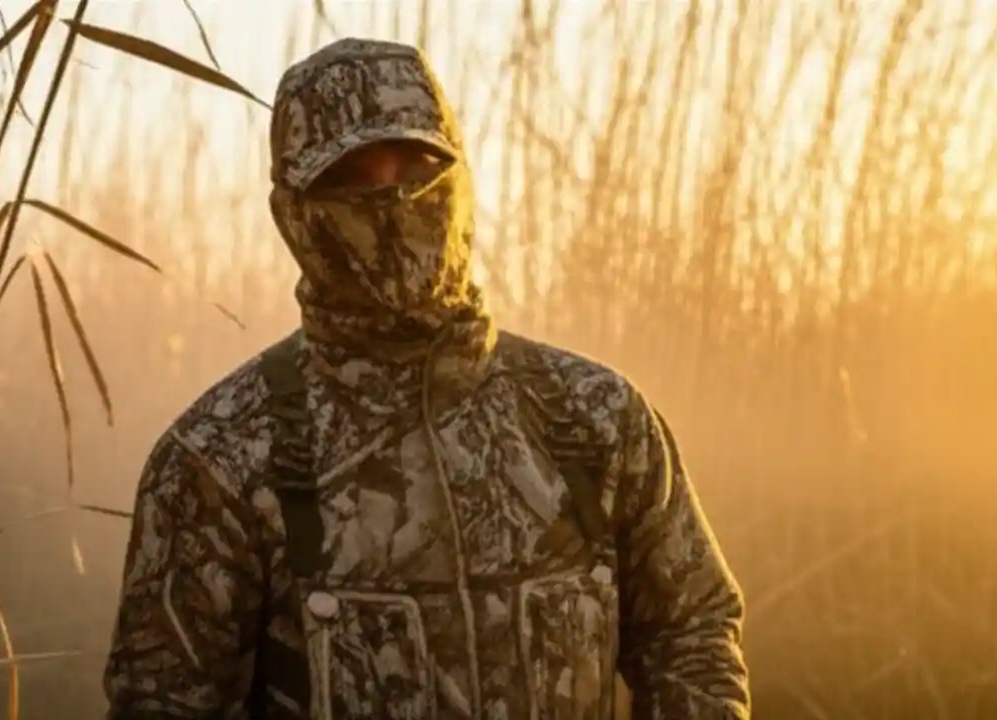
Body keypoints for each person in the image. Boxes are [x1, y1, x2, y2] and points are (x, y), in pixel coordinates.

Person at [103, 37, 749, 719]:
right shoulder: (222, 461)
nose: (395, 201)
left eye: (419, 166)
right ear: (294, 214)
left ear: (462, 175)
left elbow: (692, 636)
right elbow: (163, 705)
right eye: (352, 180)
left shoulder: (594, 417)